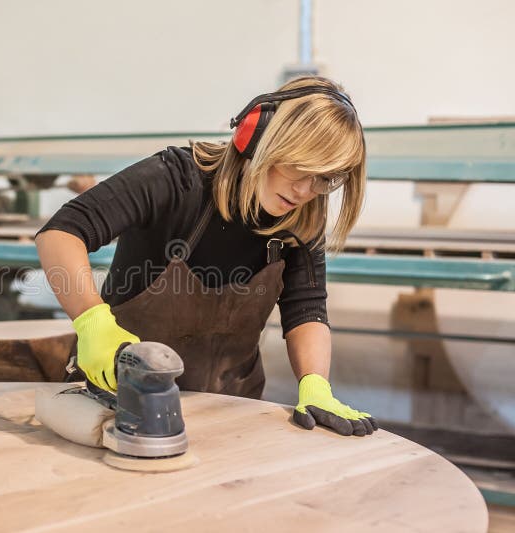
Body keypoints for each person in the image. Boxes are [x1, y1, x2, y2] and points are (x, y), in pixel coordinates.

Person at [35, 76, 378, 437]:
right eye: (299, 168)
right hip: (120, 405)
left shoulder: (301, 219)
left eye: (324, 179)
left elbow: (307, 308)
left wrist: (316, 385)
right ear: (259, 137)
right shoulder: (176, 179)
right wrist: (93, 323)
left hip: (230, 414)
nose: (305, 190)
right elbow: (62, 232)